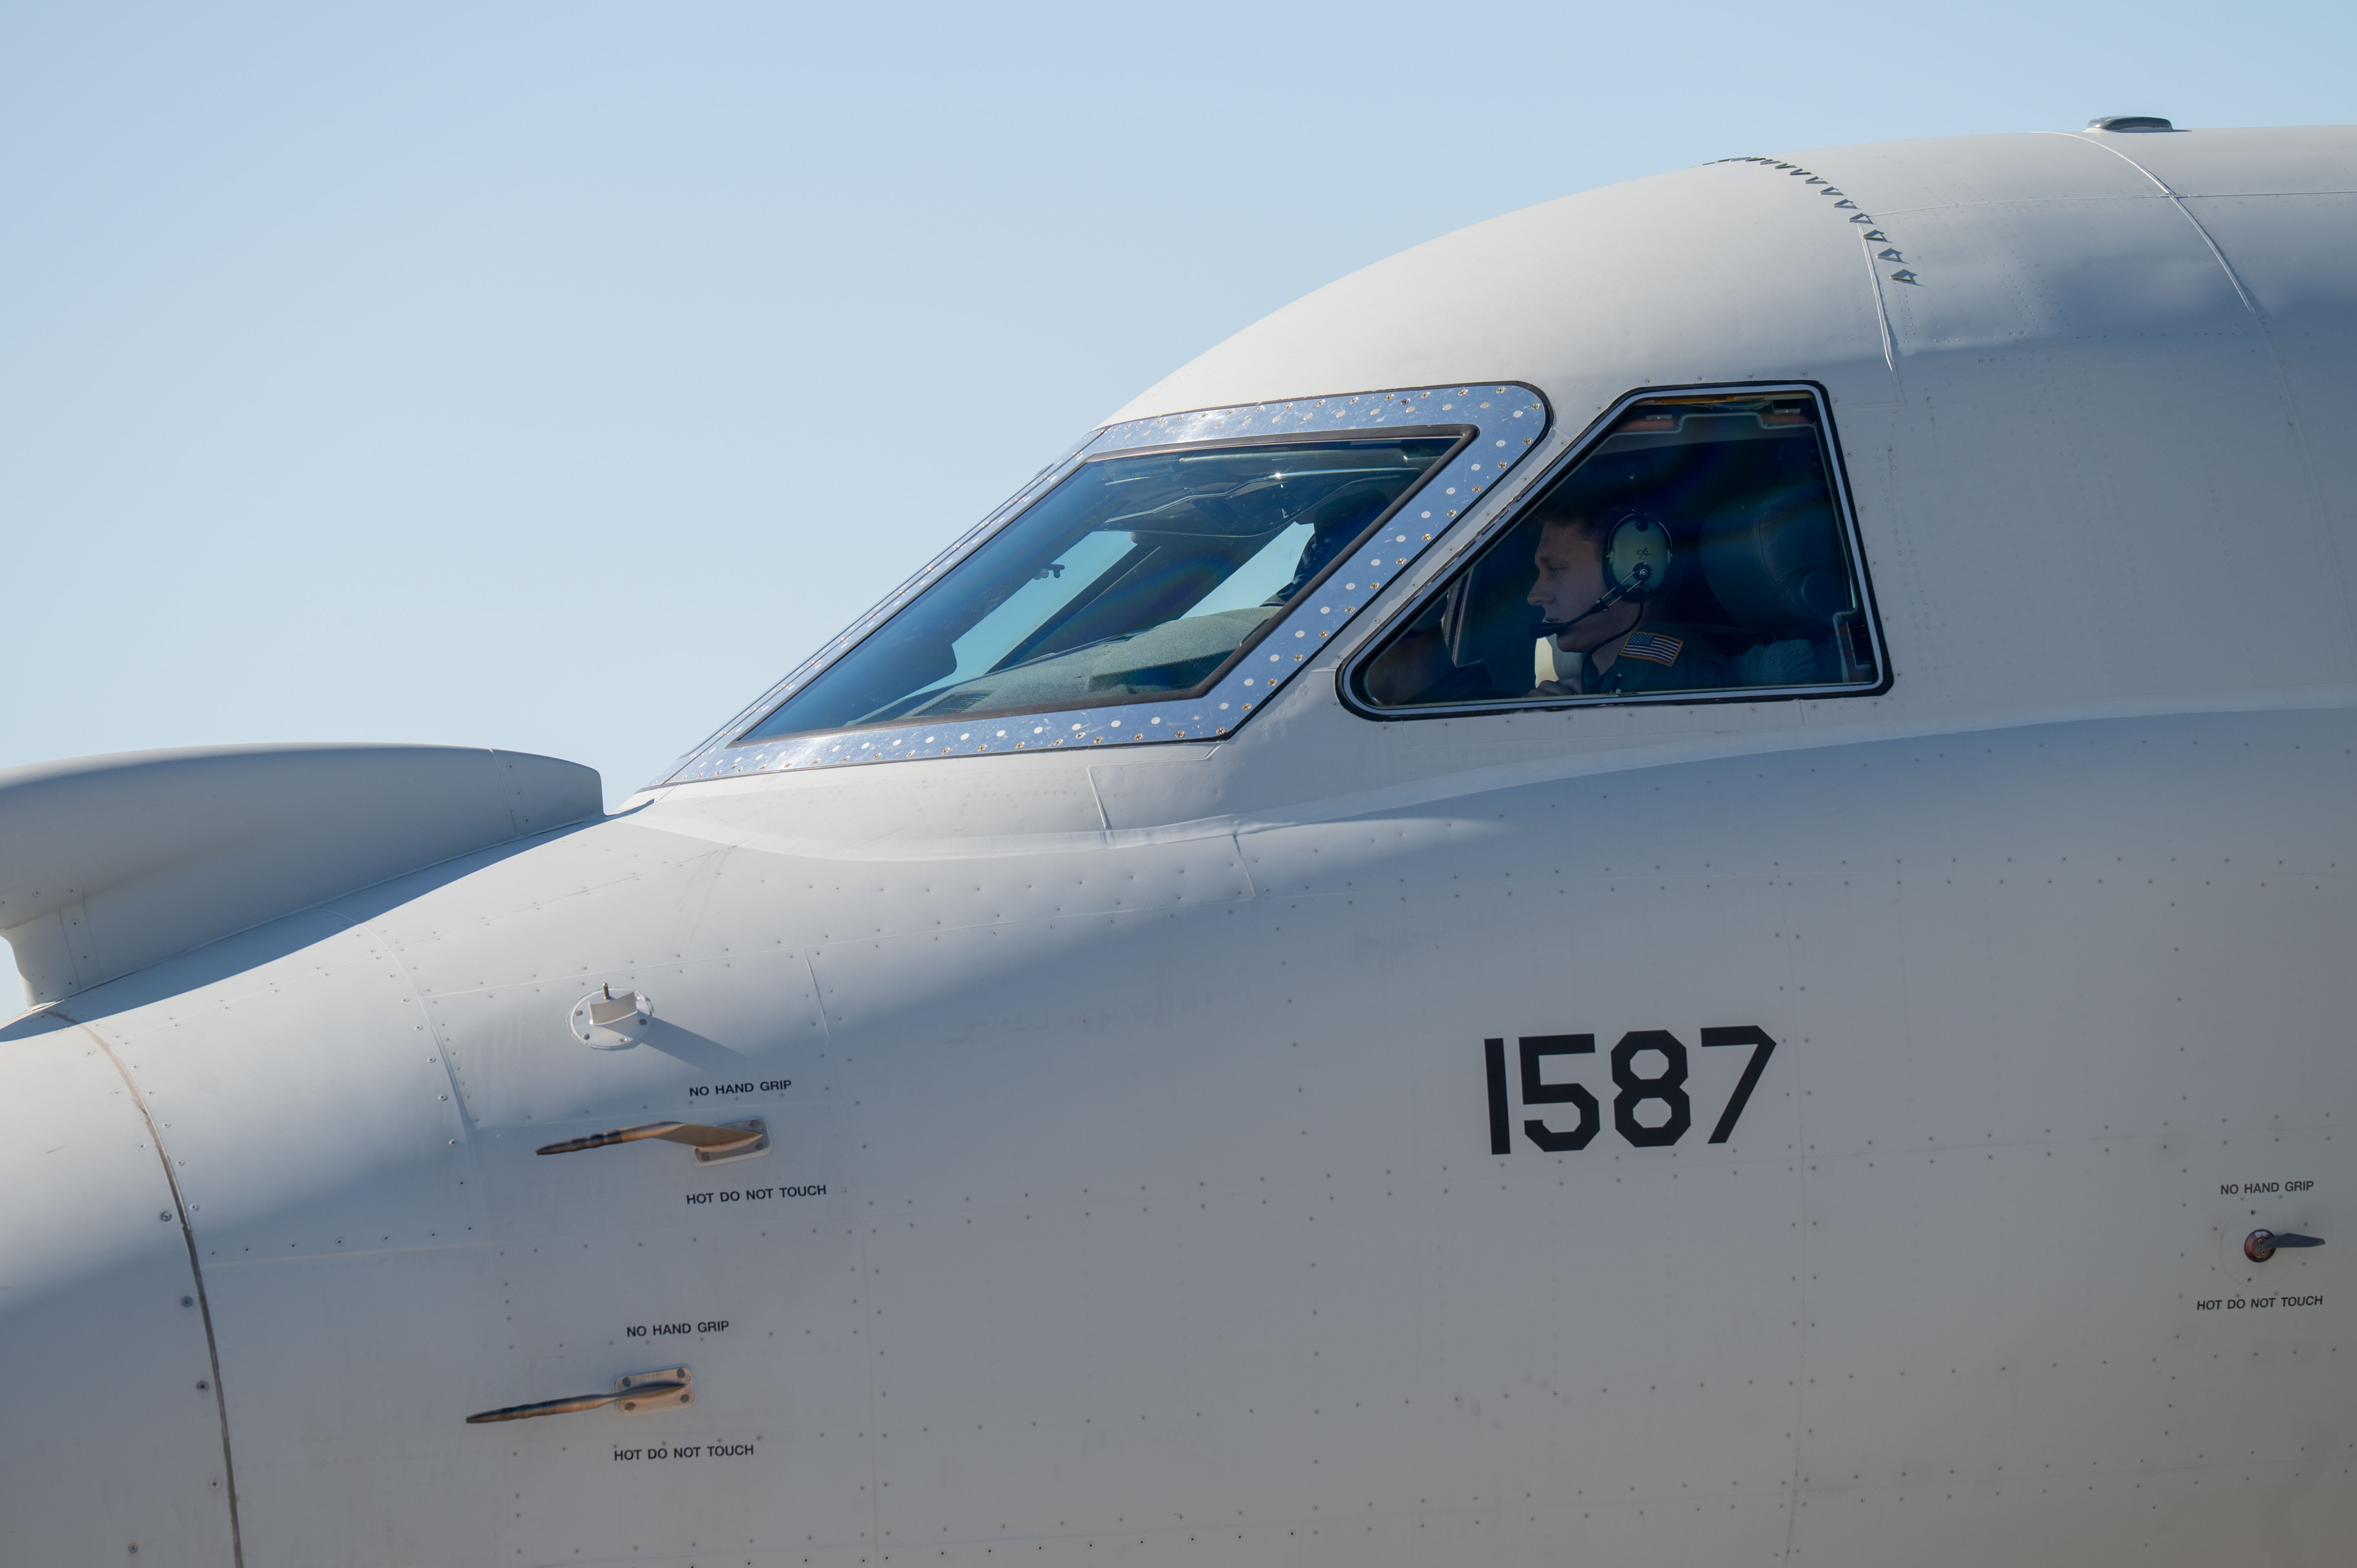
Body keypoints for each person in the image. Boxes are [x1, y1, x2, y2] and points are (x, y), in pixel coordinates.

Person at [1526, 510, 1733, 696]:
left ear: (1634, 570)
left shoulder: (1662, 668)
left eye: (1554, 569)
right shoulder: (1593, 677)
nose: (1534, 597)